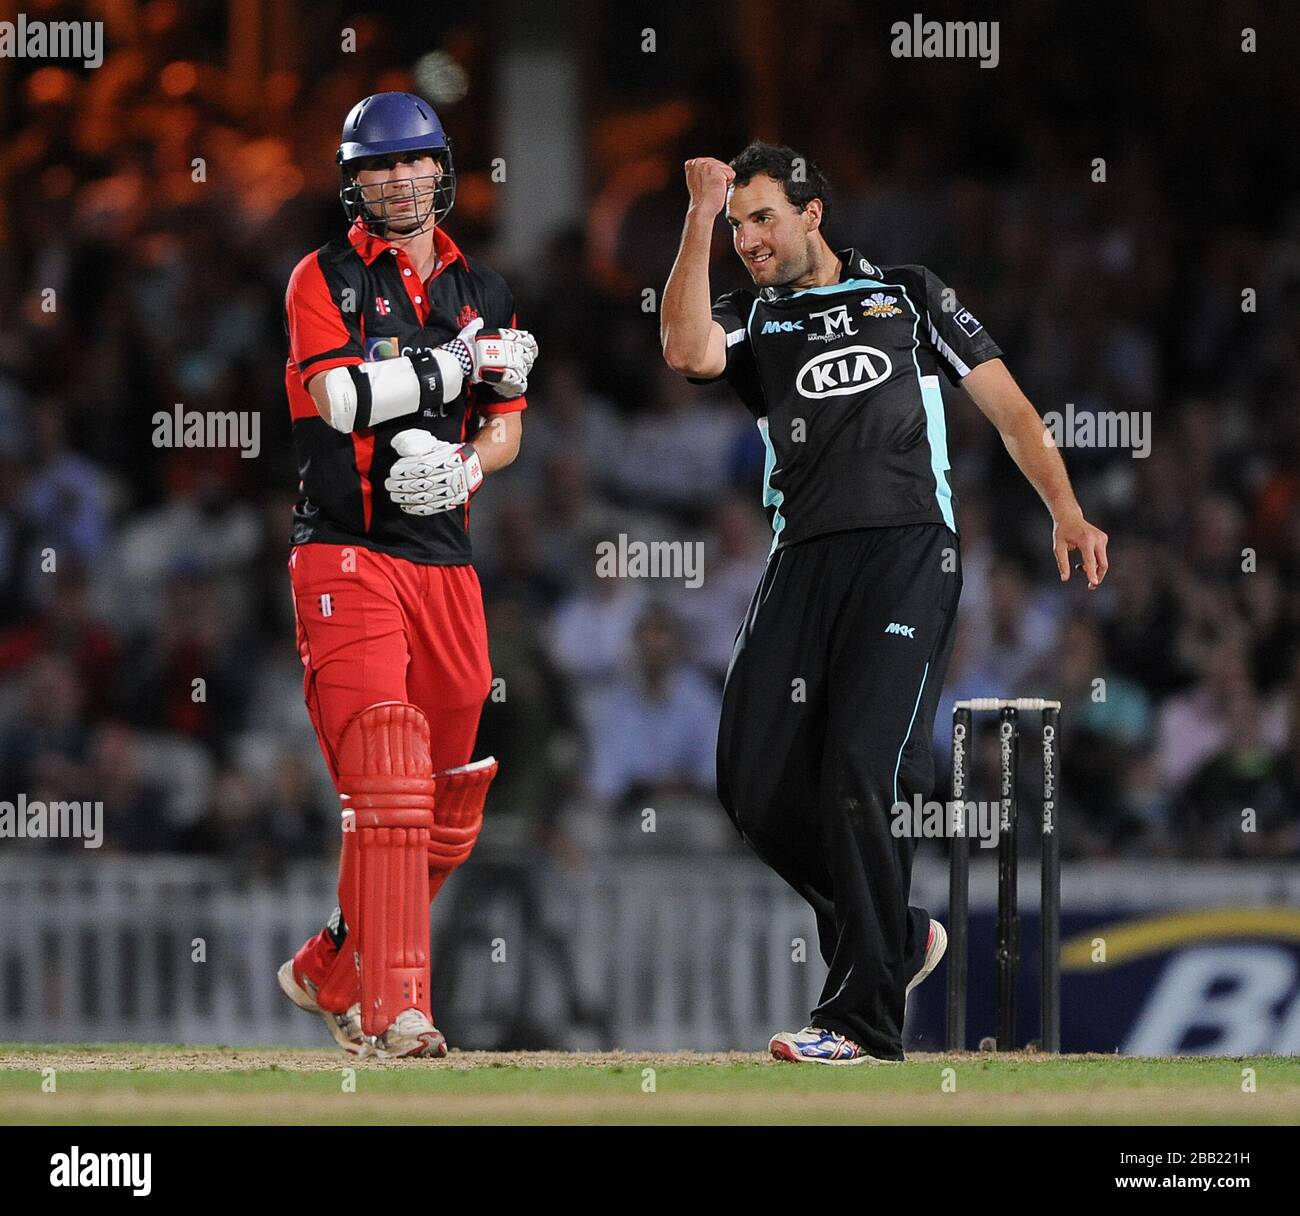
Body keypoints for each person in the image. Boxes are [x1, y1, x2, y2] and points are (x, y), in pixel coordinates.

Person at [660, 142, 1108, 1064]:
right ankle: (896, 940)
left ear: (812, 212)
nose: (748, 239)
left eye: (761, 218)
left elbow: (1012, 408)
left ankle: (861, 1023)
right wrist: (697, 215)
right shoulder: (753, 318)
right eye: (737, 224)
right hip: (802, 561)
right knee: (752, 786)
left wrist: (1065, 508)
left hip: (908, 554)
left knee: (862, 768)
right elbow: (684, 348)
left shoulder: (908, 293)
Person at [276, 92, 538, 1057]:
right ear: (356, 180)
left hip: (446, 560)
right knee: (387, 764)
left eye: (412, 161)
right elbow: (341, 399)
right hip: (345, 550)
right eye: (377, 166)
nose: (395, 179)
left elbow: (507, 420)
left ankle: (330, 969)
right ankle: (398, 1014)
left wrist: (472, 463)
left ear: (441, 170)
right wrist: (452, 364)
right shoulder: (326, 277)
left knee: (446, 800)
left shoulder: (489, 292)